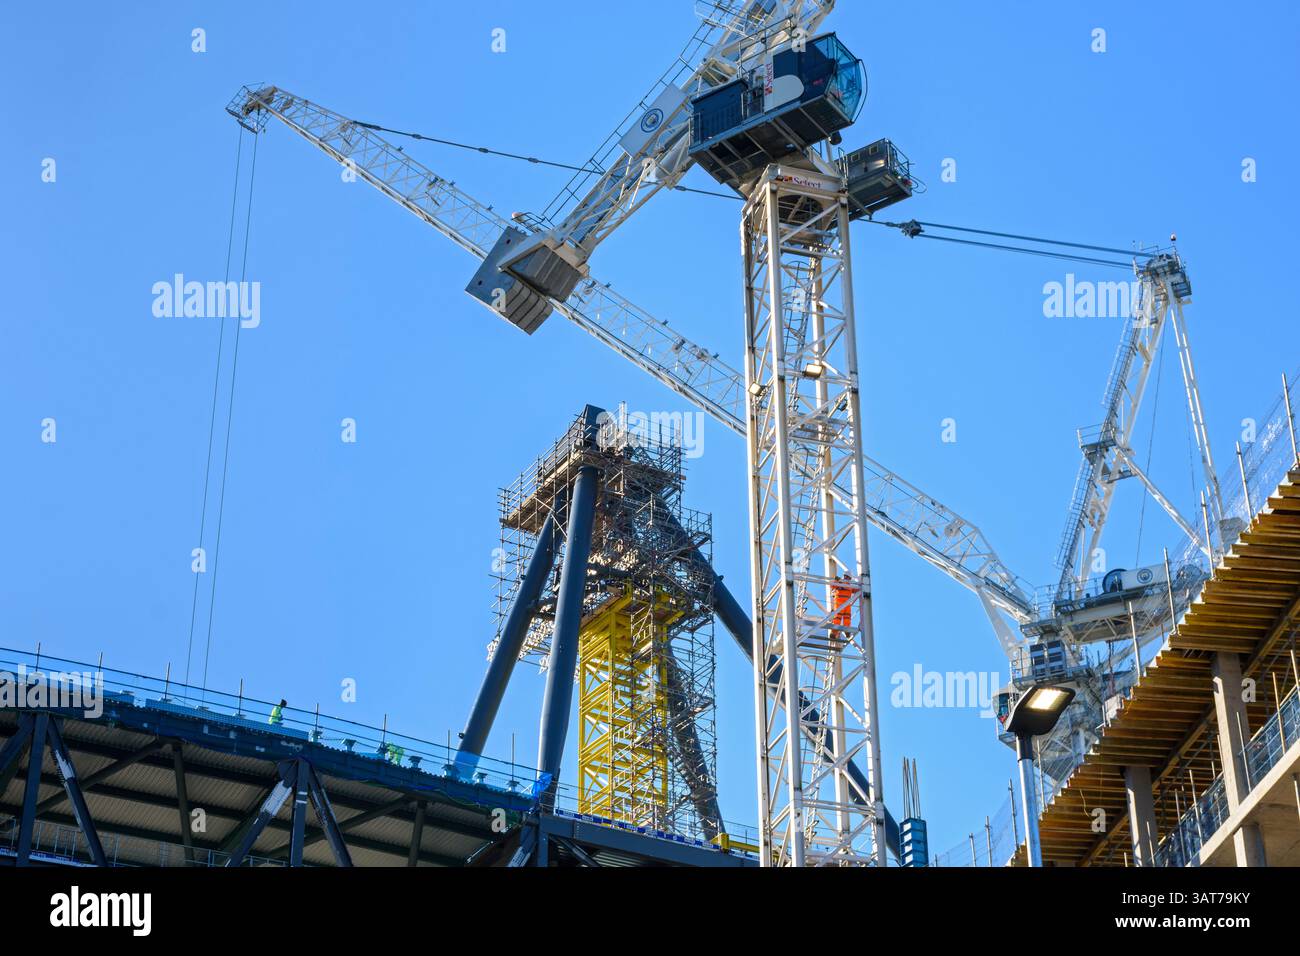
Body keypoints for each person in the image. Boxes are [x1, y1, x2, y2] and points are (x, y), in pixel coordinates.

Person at [831, 573, 857, 643]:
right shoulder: (840, 582)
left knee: (847, 618)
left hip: (846, 605)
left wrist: (862, 586)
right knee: (837, 618)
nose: (847, 578)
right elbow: (832, 586)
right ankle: (834, 633)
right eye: (846, 576)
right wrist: (836, 580)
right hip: (839, 603)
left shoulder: (850, 586)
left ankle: (847, 631)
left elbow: (856, 590)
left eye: (848, 577)